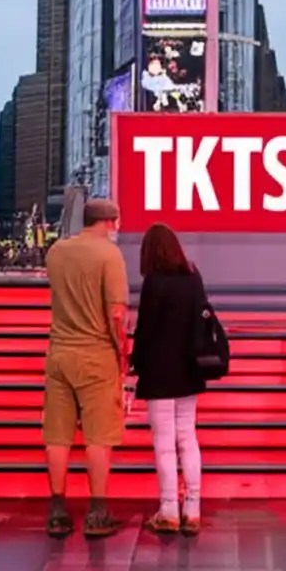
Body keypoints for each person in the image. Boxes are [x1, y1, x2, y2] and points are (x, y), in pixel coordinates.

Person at [42, 198, 129, 538]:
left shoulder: (57, 252)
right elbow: (116, 313)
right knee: (98, 436)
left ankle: (58, 510)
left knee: (57, 435)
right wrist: (123, 350)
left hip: (59, 351)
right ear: (109, 222)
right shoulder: (110, 255)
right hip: (96, 354)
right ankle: (97, 512)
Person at [130, 223, 208, 535]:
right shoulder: (193, 275)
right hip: (189, 369)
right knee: (187, 436)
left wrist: (136, 362)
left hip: (160, 372)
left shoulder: (154, 282)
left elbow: (146, 331)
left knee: (164, 443)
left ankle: (168, 509)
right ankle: (193, 507)